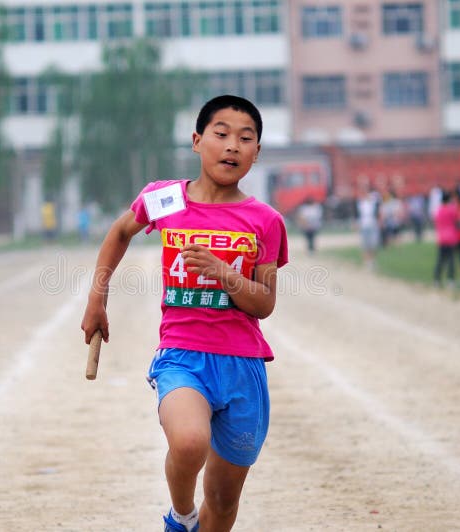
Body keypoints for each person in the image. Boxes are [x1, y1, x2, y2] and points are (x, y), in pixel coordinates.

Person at [80, 95, 288, 532]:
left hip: (242, 366)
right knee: (190, 443)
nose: (232, 146)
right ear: (197, 141)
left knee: (224, 500)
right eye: (221, 134)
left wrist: (223, 273)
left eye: (245, 138)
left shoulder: (264, 221)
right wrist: (97, 299)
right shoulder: (166, 201)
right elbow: (120, 232)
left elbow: (264, 304)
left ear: (257, 152)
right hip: (183, 356)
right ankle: (181, 516)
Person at [433, 190, 458, 287]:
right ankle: (450, 280)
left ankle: (437, 280)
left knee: (440, 260)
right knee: (451, 260)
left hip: (442, 238)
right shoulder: (452, 209)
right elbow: (456, 220)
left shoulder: (438, 210)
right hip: (451, 237)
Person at [356, 182, 381, 270]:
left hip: (372, 224)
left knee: (373, 244)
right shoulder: (360, 202)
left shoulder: (374, 200)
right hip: (364, 225)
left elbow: (378, 211)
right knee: (365, 244)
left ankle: (372, 261)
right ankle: (367, 262)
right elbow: (358, 214)